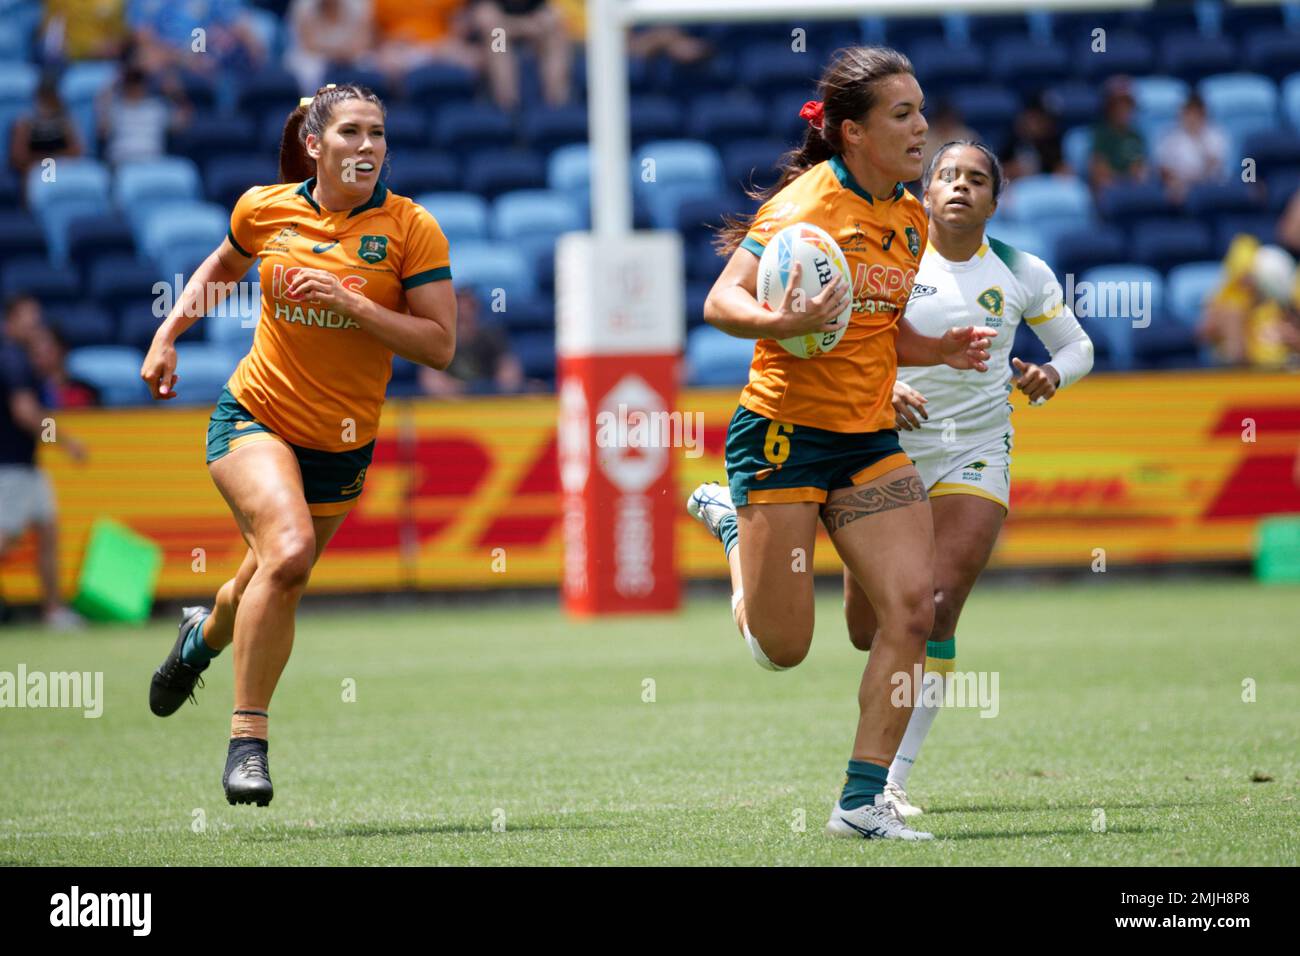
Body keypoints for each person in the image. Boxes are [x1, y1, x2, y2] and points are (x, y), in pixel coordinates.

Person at [685, 47, 995, 841]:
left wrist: (938, 348)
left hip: (867, 442)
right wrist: (779, 320)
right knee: (783, 648)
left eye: (922, 110)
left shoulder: (911, 217)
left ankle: (861, 803)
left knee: (913, 610)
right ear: (852, 132)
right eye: (903, 114)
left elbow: (877, 329)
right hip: (783, 437)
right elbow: (721, 301)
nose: (922, 127)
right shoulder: (804, 208)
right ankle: (735, 532)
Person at [139, 83, 457, 807]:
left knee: (261, 581)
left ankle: (200, 638)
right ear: (314, 144)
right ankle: (247, 744)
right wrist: (168, 334)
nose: (368, 146)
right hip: (255, 417)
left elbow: (440, 346)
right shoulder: (264, 207)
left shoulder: (412, 228)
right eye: (351, 132)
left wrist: (352, 302)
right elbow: (224, 267)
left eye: (377, 133)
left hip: (341, 448)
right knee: (288, 555)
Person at [844, 141, 1094, 817]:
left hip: (976, 452)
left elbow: (1078, 345)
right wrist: (883, 387)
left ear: (993, 201)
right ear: (924, 193)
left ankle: (889, 777)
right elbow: (847, 344)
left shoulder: (1021, 271)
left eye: (976, 179)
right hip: (883, 451)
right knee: (868, 629)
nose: (960, 186)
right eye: (947, 176)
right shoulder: (891, 260)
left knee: (936, 604)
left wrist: (1051, 373)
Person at [0, 298, 87, 629]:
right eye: (27, 318)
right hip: (11, 467)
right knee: (6, 538)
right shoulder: (11, 359)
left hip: (27, 466)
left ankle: (53, 610)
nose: (34, 324)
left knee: (48, 530)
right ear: (10, 323)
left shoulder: (22, 360)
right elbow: (25, 414)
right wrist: (65, 442)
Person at [418, 287, 523, 395]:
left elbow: (509, 371)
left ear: (476, 309)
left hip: (489, 398)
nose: (464, 312)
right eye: (459, 307)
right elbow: (431, 379)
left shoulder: (492, 336)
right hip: (453, 400)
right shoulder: (439, 339)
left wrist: (494, 389)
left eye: (468, 307)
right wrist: (461, 390)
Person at [469, 0, 572, 111]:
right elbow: (486, 22)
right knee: (497, 37)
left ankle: (557, 106)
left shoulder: (539, 5)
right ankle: (508, 107)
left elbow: (552, 18)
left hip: (532, 40)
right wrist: (528, 26)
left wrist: (512, 26)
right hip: (489, 47)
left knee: (555, 34)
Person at [96, 64, 191, 168]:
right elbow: (103, 132)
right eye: (130, 81)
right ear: (123, 84)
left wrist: (175, 94)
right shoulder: (114, 107)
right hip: (120, 163)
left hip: (153, 161)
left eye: (138, 81)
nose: (134, 86)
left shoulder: (156, 107)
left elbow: (182, 123)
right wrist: (112, 83)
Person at [284, 0, 374, 96]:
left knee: (369, 64)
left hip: (349, 55)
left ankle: (362, 100)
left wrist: (343, 53)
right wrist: (336, 53)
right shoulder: (304, 5)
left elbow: (363, 42)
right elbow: (308, 43)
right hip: (314, 56)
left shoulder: (359, 5)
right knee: (309, 70)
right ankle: (314, 101)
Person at [1156, 93, 1228, 204]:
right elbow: (1163, 168)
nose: (1192, 117)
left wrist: (1198, 139)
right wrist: (1175, 181)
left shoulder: (1215, 134)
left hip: (1209, 185)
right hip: (1178, 187)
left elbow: (1214, 165)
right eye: (1188, 113)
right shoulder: (1169, 136)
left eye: (1196, 113)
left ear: (1203, 115)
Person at [8, 76, 83, 177]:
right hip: (32, 170)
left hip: (61, 169)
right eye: (45, 100)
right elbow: (19, 157)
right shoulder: (25, 123)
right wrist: (45, 165)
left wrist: (53, 162)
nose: (48, 105)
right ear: (38, 99)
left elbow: (77, 151)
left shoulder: (65, 121)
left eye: (52, 100)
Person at [1088, 76, 1146, 192]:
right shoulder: (1100, 134)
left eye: (1127, 106)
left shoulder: (1136, 136)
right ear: (1109, 108)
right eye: (1118, 106)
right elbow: (1099, 169)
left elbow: (1139, 169)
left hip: (1131, 186)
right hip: (1109, 186)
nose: (1123, 111)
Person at [999, 92, 1065, 181]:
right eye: (1039, 119)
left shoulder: (1055, 142)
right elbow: (998, 172)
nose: (1044, 124)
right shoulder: (1011, 140)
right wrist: (1011, 170)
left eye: (1049, 120)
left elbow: (1063, 171)